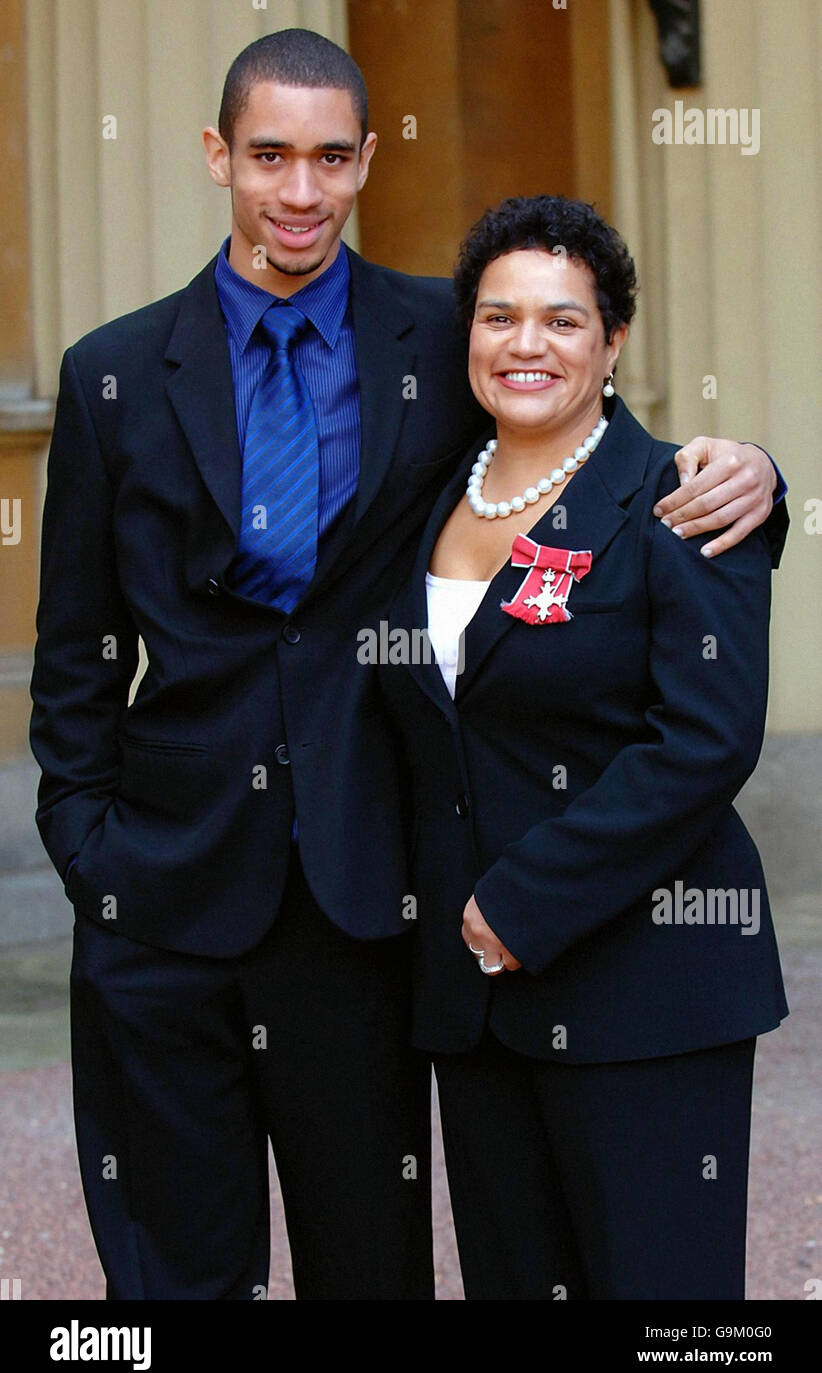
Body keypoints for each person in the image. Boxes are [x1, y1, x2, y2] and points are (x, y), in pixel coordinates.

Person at [28, 27, 785, 1301]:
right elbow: (74, 649)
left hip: (363, 895)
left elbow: (590, 439)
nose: (300, 190)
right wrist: (86, 842)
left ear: (370, 161)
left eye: (331, 157)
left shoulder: (449, 339)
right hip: (158, 889)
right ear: (220, 156)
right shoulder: (112, 376)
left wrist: (756, 470)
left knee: (371, 1268)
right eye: (269, 155)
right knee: (162, 1282)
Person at [379, 195, 789, 1300]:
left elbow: (705, 742)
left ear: (613, 342)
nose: (526, 344)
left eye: (563, 320)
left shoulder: (686, 499)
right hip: (477, 1001)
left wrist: (527, 900)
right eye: (499, 316)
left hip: (643, 977)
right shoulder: (426, 496)